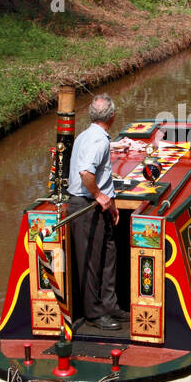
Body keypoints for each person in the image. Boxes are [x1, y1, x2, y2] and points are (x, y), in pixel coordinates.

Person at [68, 93, 126, 330]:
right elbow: (85, 172)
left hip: (97, 207)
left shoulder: (85, 135)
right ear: (112, 117)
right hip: (86, 207)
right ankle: (93, 313)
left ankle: (110, 305)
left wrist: (109, 203)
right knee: (92, 260)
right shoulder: (99, 141)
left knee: (108, 255)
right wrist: (100, 196)